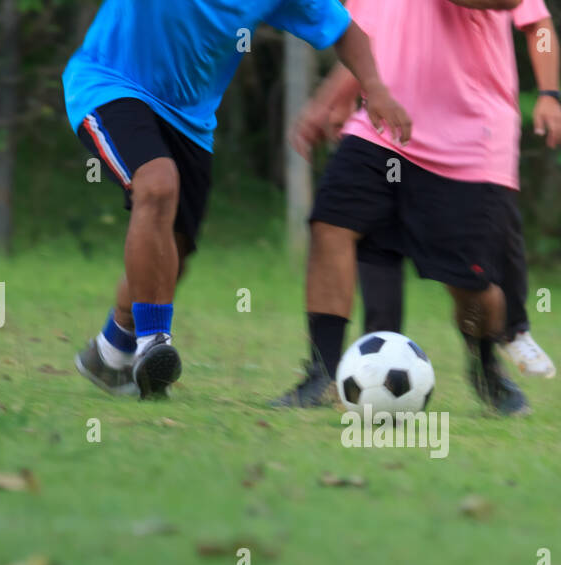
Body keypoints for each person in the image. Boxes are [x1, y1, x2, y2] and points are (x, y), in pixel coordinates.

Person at [65, 0, 410, 399]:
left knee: (170, 254)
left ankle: (110, 350)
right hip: (109, 84)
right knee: (157, 185)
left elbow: (345, 30)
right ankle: (153, 344)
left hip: (191, 122)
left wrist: (375, 88)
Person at [271, 0, 536, 416]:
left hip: (464, 139)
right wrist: (330, 100)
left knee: (469, 283)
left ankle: (485, 366)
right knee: (331, 224)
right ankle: (321, 374)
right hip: (383, 125)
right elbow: (366, 31)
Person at [356, 1, 561, 381]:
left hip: (476, 133)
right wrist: (338, 103)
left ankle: (511, 332)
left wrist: (550, 93)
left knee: (490, 245)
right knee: (373, 240)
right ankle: (371, 363)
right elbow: (361, 39)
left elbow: (539, 26)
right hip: (397, 134)